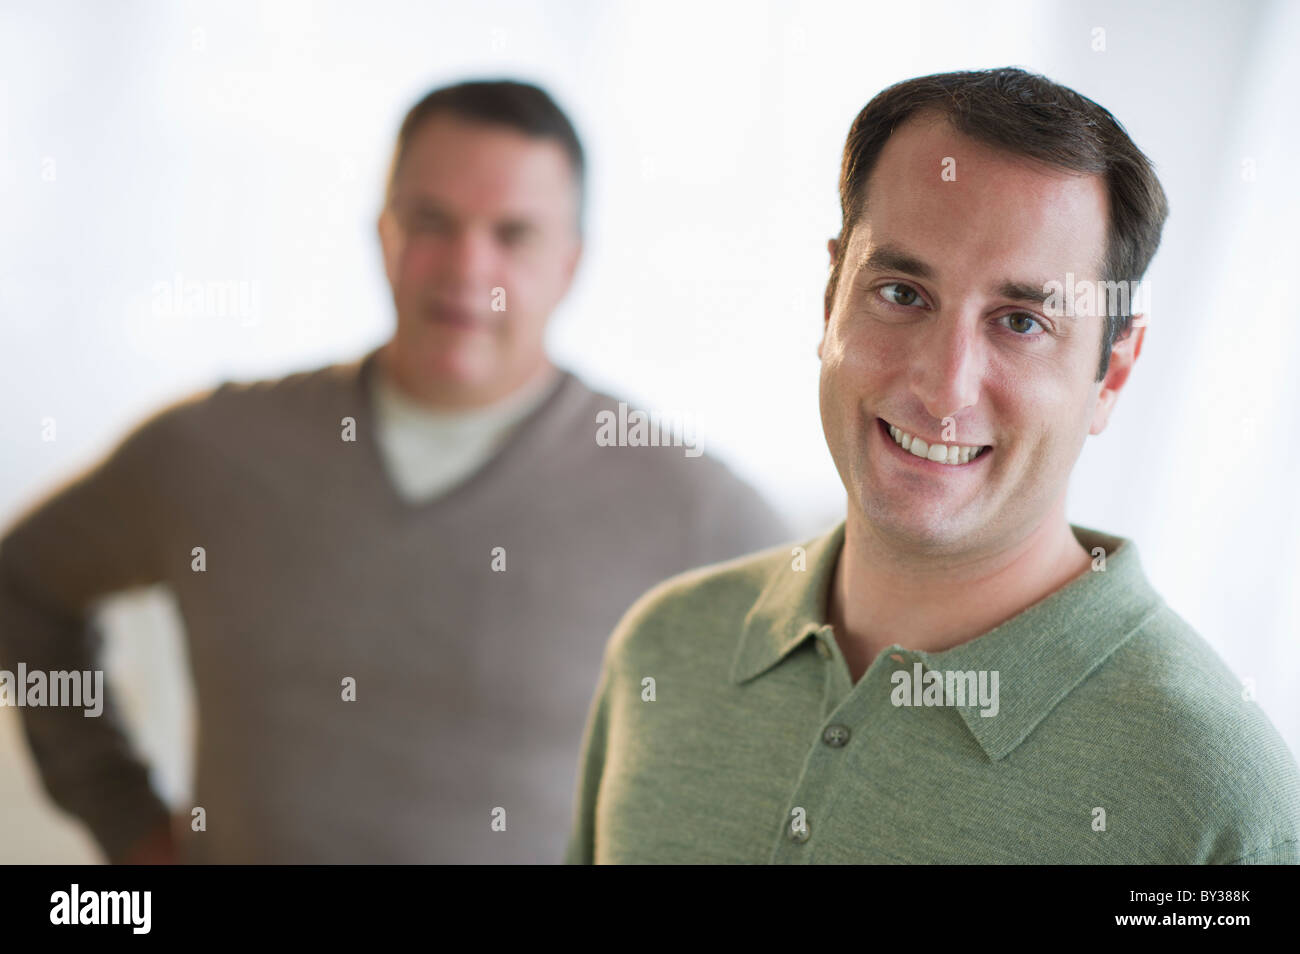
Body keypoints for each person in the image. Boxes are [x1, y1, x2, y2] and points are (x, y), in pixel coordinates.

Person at [0, 79, 788, 864]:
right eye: (432, 222)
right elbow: (21, 584)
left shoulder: (692, 508)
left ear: (570, 264)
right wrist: (126, 823)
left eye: (513, 234)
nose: (466, 266)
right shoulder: (215, 449)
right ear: (383, 233)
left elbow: (815, 726)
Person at [565, 67, 1300, 864]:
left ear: (1112, 373)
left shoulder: (1218, 803)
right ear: (831, 299)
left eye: (1020, 321)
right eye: (902, 293)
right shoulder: (666, 648)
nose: (941, 386)